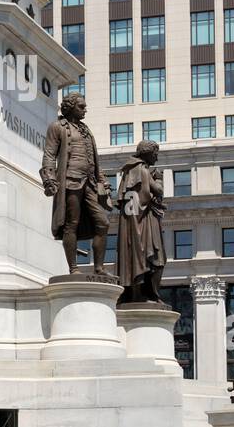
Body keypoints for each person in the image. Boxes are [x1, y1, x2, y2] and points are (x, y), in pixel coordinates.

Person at [40, 94, 111, 275]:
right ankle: (74, 268)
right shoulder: (57, 127)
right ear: (70, 107)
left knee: (102, 223)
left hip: (90, 183)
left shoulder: (86, 129)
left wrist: (102, 180)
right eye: (81, 106)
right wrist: (49, 179)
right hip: (70, 182)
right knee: (71, 224)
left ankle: (99, 267)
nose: (85, 109)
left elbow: (94, 159)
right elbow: (49, 154)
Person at [115, 140, 167, 303]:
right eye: (155, 154)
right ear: (147, 153)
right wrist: (158, 179)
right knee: (153, 257)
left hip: (139, 218)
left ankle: (147, 293)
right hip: (142, 220)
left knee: (152, 257)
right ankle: (143, 294)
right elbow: (158, 190)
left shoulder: (131, 170)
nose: (156, 158)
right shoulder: (140, 169)